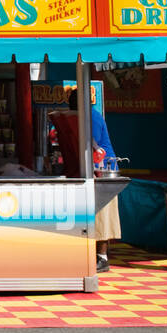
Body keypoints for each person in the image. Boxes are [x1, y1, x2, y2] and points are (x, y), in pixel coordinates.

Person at [70, 87, 120, 273]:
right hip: (94, 169)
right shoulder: (81, 116)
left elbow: (94, 146)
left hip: (104, 170)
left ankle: (102, 257)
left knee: (102, 216)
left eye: (72, 101)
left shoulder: (92, 117)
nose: (69, 104)